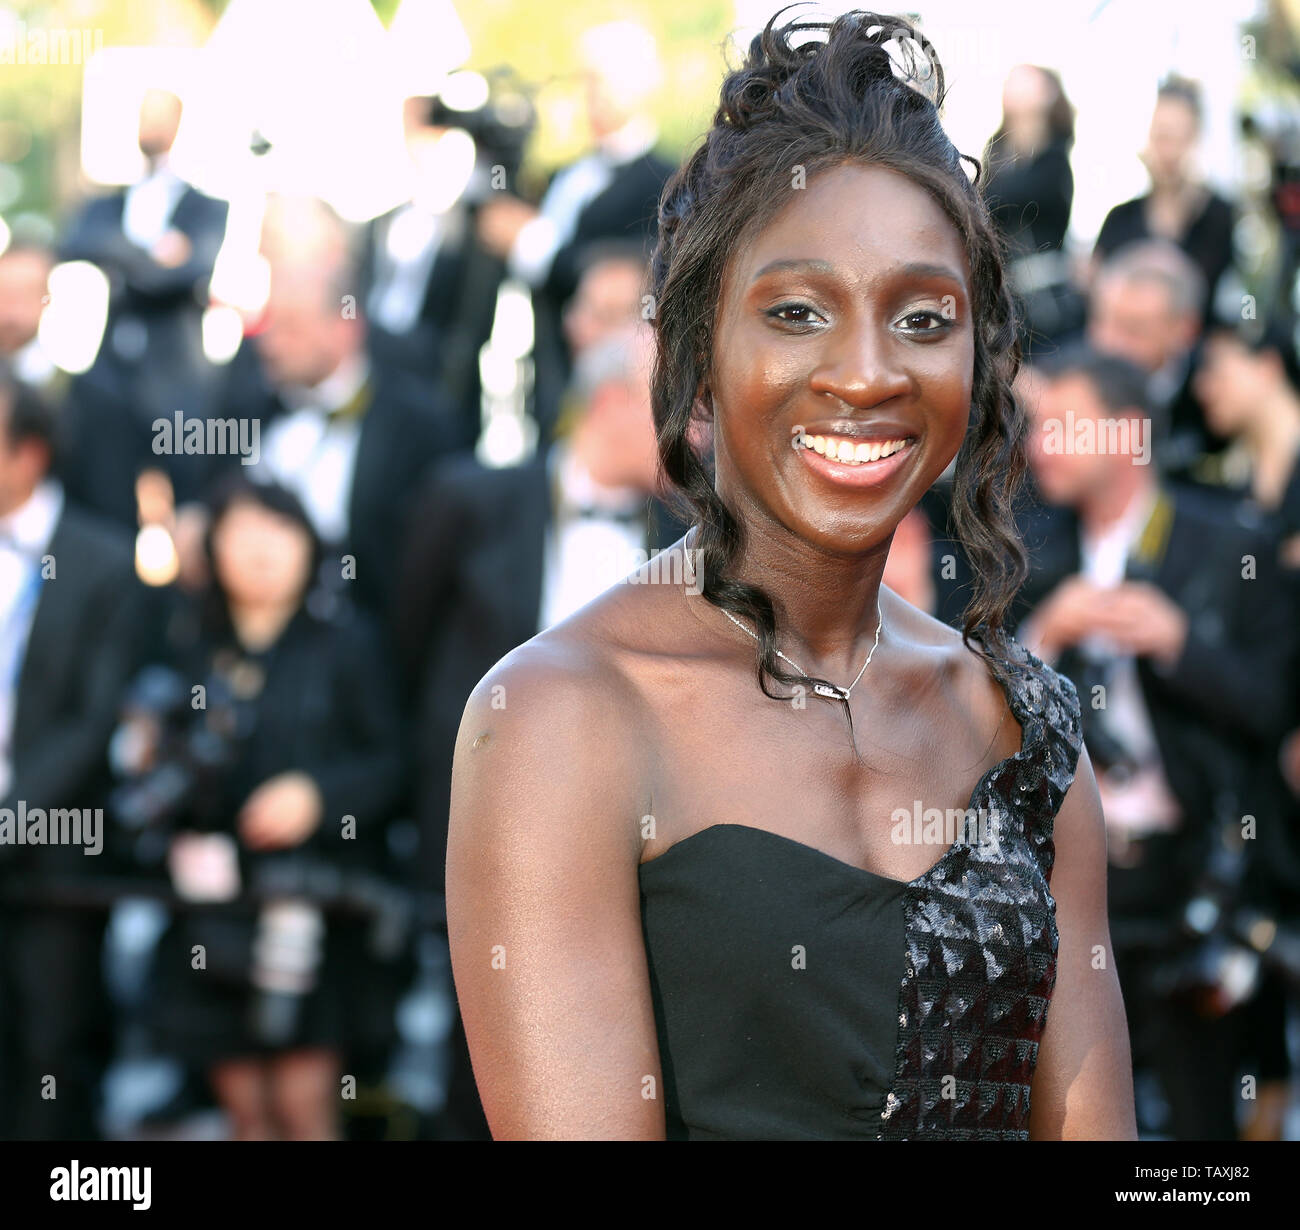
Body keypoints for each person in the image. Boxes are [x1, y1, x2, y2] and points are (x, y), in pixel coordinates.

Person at [446, 11, 1134, 1141]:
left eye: (922, 317)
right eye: (797, 312)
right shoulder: (559, 717)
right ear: (695, 354)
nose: (864, 374)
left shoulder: (1023, 729)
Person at [1016, 345, 1297, 1140]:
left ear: (1129, 435)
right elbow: (977, 710)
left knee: (1202, 1124)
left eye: (1068, 426)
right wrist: (1044, 633)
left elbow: (1274, 706)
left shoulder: (1226, 543)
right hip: (1065, 879)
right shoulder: (1026, 551)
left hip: (1193, 878)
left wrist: (1180, 644)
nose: (1043, 445)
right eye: (1040, 427)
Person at [130, 477, 405, 1140]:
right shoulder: (188, 645)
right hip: (214, 918)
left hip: (313, 909)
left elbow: (395, 764)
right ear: (211, 550)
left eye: (278, 531)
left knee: (305, 1110)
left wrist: (317, 798)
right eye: (240, 534)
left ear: (309, 544)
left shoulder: (348, 643)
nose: (260, 551)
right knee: (247, 1116)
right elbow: (153, 776)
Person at [0, 370, 145, 1139]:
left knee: (52, 1054)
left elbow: (95, 721)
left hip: (55, 857)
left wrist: (10, 820)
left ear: (28, 455)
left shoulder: (104, 564)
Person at [476, 20, 674, 444]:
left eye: (602, 82)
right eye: (586, 83)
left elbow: (628, 277)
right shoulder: (565, 175)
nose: (591, 98)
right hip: (541, 379)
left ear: (639, 86)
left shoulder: (668, 180)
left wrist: (530, 243)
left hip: (607, 395)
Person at [1092, 76, 1236, 330]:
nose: (1168, 151)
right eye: (1161, 136)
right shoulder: (1121, 217)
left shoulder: (1219, 216)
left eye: (1178, 137)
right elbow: (1095, 288)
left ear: (1195, 139)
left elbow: (1213, 297)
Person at [981, 65, 1082, 353]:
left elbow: (1005, 196)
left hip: (1045, 299)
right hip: (1005, 295)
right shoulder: (997, 149)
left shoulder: (1055, 159)